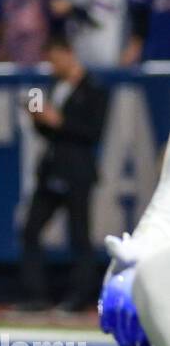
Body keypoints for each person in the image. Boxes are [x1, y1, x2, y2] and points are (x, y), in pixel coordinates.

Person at [20, 33, 109, 312]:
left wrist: (58, 121)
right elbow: (49, 132)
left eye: (56, 59)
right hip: (51, 169)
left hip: (77, 172)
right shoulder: (55, 85)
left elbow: (92, 133)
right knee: (30, 230)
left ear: (69, 54)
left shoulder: (94, 88)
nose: (52, 65)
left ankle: (80, 296)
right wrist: (39, 119)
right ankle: (36, 296)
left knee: (79, 235)